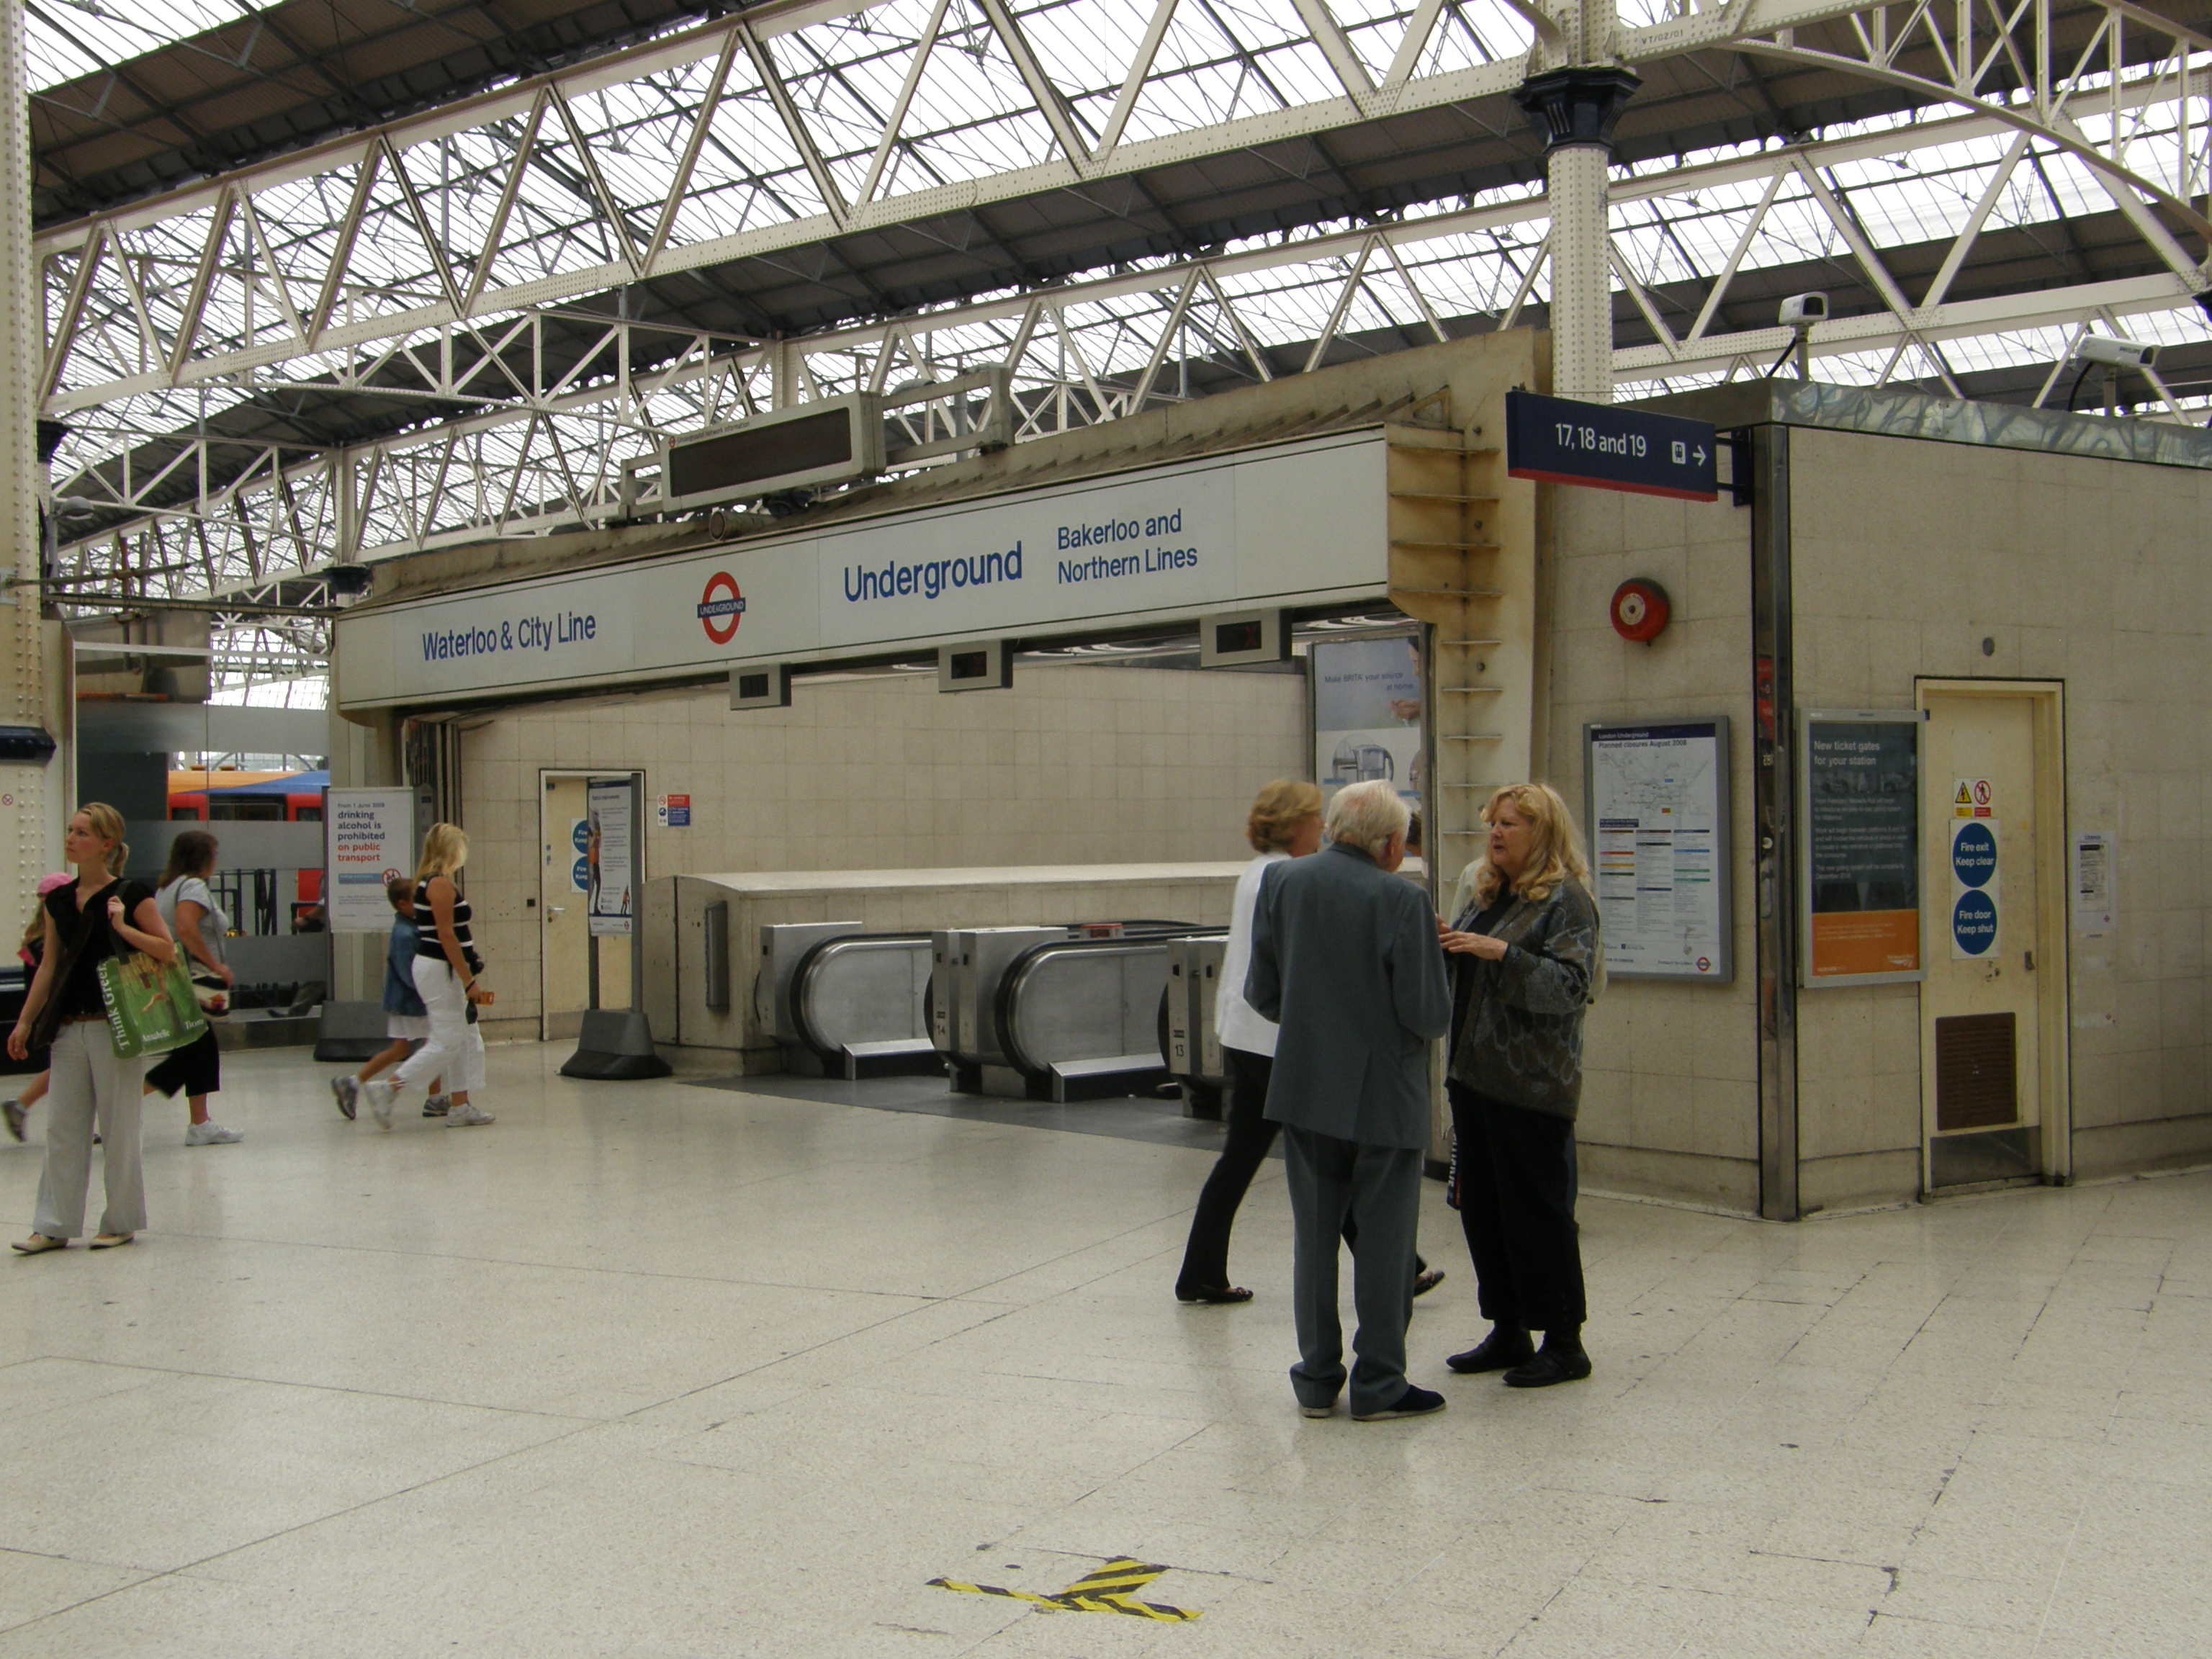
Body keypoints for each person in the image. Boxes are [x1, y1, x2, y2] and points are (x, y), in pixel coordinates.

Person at [1177, 781, 1443, 1305]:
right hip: (1273, 1040)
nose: (1322, 826)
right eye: (1314, 818)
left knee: (1252, 1156)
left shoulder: (1266, 874)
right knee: (1326, 1149)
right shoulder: (1279, 877)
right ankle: (1395, 1267)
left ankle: (1201, 1269)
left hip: (1252, 1033)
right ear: (1293, 825)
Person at [1246, 779, 1452, 1422]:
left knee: (1314, 1238)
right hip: (1385, 1094)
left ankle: (1315, 1380)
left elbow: (1263, 991)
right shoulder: (1401, 899)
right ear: (1392, 843)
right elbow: (1427, 1014)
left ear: (1336, 827)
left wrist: (1316, 1024)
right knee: (1387, 1242)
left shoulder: (1282, 885)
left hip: (1305, 1086)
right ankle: (1380, 1384)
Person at [1437, 783, 1601, 1389]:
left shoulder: (1567, 901)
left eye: (1510, 824)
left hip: (1531, 1087)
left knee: (1537, 1214)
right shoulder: (1487, 891)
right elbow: (1469, 957)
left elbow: (1571, 989)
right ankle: (1508, 1328)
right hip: (1474, 1079)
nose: (1497, 834)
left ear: (1543, 833)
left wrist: (1503, 955)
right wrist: (1449, 942)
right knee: (1483, 1211)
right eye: (1493, 823)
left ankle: (1564, 1340)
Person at [8, 804, 177, 1253]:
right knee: (63, 1128)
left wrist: (122, 926)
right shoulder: (59, 900)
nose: (71, 838)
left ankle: (120, 1220)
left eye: (82, 833)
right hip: (68, 1026)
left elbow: (167, 950)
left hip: (116, 1026)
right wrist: (26, 1020)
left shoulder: (131, 893)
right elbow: (50, 965)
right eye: (70, 830)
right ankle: (53, 1224)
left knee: (119, 1127)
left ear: (106, 844)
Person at [364, 824, 493, 1129]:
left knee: (464, 1037)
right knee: (447, 1040)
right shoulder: (440, 885)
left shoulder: (427, 883)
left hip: (437, 967)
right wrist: (469, 980)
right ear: (452, 850)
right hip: (440, 969)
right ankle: (389, 1087)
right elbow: (447, 936)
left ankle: (460, 1105)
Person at [145, 831, 244, 1146]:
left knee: (200, 1049)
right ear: (201, 857)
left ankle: (200, 1123)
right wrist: (216, 966)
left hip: (173, 979)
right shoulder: (193, 886)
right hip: (192, 981)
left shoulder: (165, 888)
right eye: (213, 855)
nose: (216, 861)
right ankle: (117, 1105)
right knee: (192, 1055)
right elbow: (186, 927)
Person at [332, 877, 448, 1120]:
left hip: (400, 1000)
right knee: (436, 1044)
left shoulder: (407, 929)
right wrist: (432, 993)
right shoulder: (406, 935)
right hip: (411, 1002)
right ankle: (435, 1099)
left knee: (399, 1049)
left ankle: (353, 1082)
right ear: (403, 905)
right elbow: (411, 974)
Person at [4, 873, 72, 1143]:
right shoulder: (50, 941)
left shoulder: (36, 936)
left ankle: (20, 1106)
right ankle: (21, 1106)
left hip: (50, 1013)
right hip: (59, 1013)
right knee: (70, 1069)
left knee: (67, 1070)